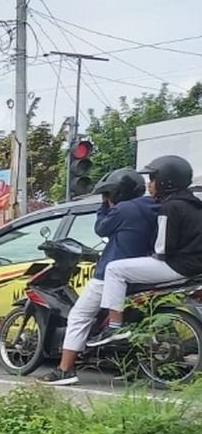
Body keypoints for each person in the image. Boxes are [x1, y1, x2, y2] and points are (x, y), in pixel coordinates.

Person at [40, 168, 156, 385]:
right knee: (135, 319)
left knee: (79, 317)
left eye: (108, 194)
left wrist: (105, 205)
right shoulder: (153, 205)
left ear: (116, 193)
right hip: (144, 271)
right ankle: (132, 366)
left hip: (110, 275)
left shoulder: (121, 210)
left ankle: (65, 370)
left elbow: (101, 229)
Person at [87, 155, 202, 348]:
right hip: (193, 265)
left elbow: (162, 248)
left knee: (115, 269)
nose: (149, 185)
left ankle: (114, 327)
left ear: (167, 181)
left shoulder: (169, 207)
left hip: (176, 265)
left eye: (153, 179)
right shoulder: (194, 204)